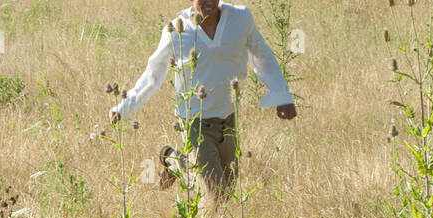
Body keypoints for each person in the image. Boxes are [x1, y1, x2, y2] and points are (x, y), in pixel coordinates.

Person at [109, 1, 297, 200]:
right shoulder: (177, 30)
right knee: (216, 197)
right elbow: (153, 74)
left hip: (228, 119)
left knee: (227, 191)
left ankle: (173, 160)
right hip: (194, 122)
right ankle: (181, 169)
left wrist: (281, 94)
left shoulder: (240, 19)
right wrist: (124, 107)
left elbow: (262, 55)